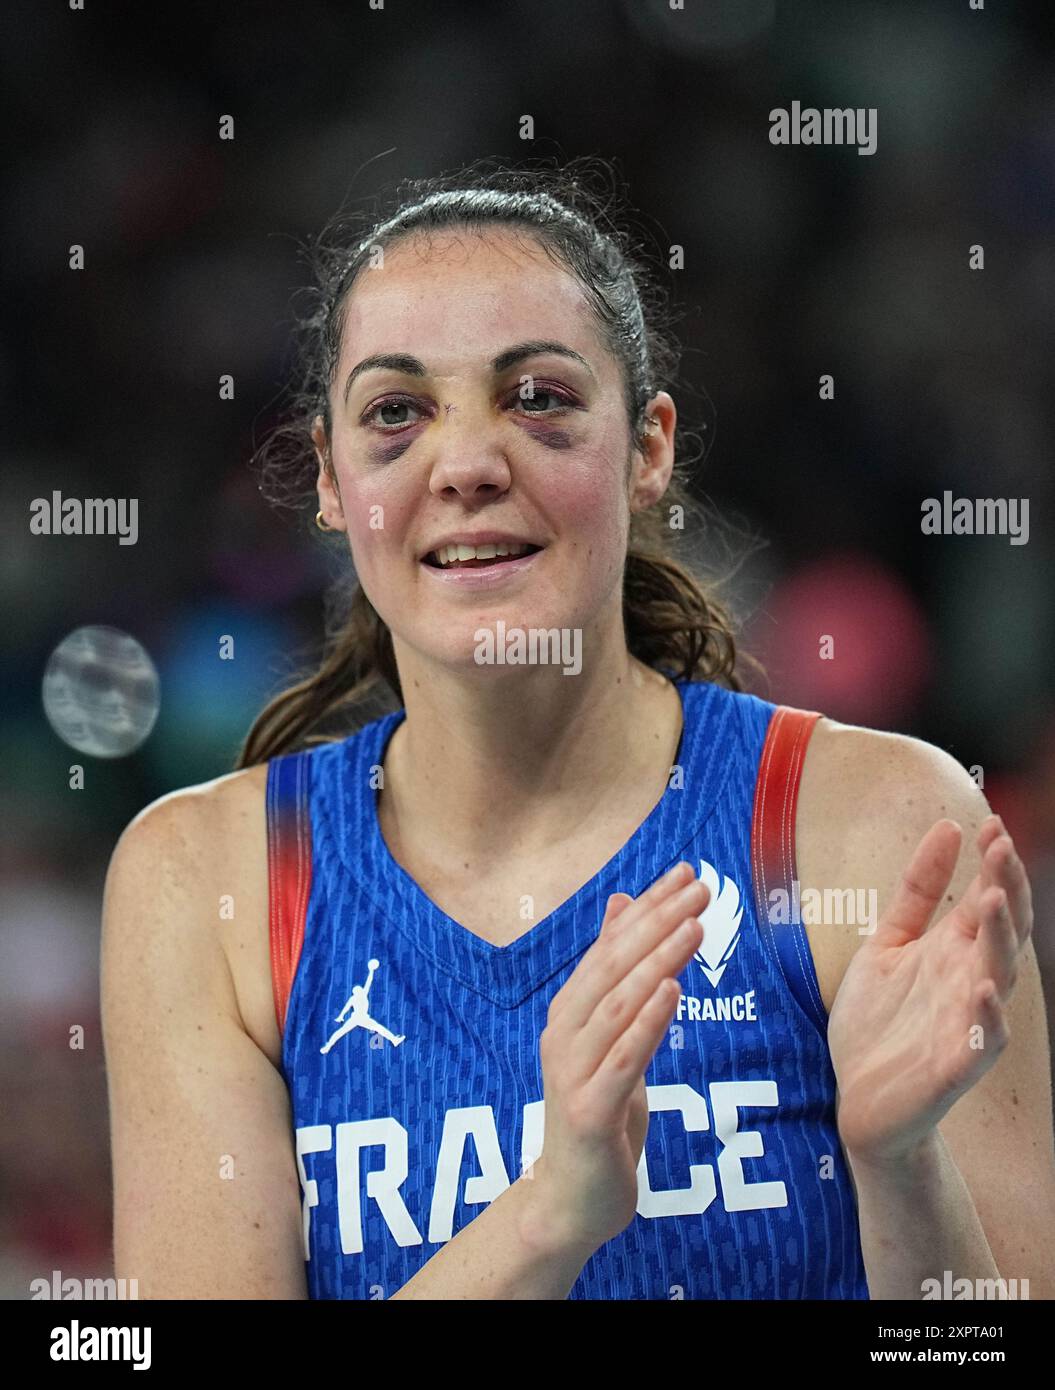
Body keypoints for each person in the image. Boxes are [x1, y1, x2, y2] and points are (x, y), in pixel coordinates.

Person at [101, 160, 1055, 1300]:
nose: (466, 465)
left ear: (648, 448)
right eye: (395, 412)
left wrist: (900, 1168)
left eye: (538, 397)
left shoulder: (876, 828)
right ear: (330, 479)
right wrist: (549, 1212)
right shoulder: (207, 886)